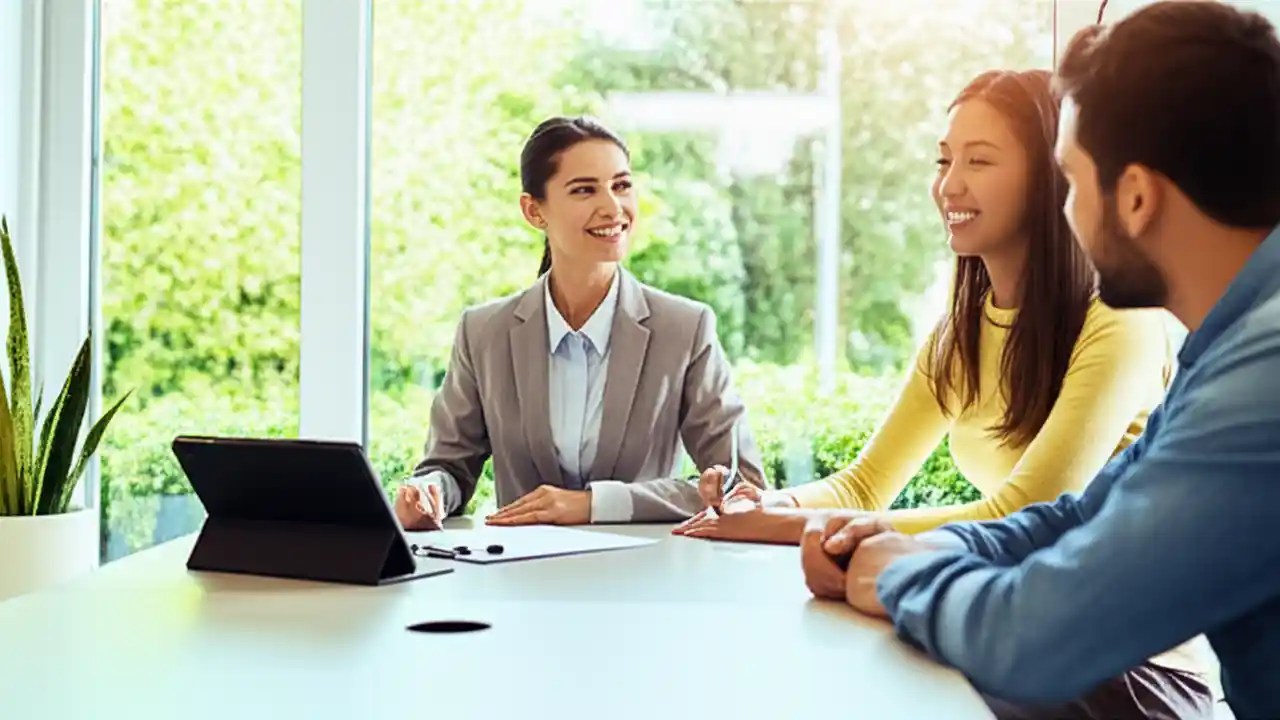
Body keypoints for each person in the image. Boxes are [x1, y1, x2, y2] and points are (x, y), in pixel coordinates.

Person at [809, 3, 1280, 718]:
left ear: (1135, 196)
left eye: (1069, 179)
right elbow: (1081, 514)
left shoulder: (1262, 377)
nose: (1062, 212)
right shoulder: (1229, 347)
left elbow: (1037, 638)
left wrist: (896, 577)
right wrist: (923, 546)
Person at [674, 69, 1172, 547]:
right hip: (1028, 595)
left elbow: (1022, 515)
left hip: (1128, 618)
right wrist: (766, 505)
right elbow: (864, 487)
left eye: (978, 161)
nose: (949, 185)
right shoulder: (962, 332)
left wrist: (794, 528)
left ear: (1050, 176)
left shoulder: (1121, 319)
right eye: (944, 161)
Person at [393, 115, 764, 531]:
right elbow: (448, 467)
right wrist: (429, 492)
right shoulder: (483, 332)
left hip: (644, 578)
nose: (612, 207)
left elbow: (744, 486)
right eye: (585, 189)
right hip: (516, 579)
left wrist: (594, 504)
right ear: (534, 211)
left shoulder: (685, 329)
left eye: (621, 185)